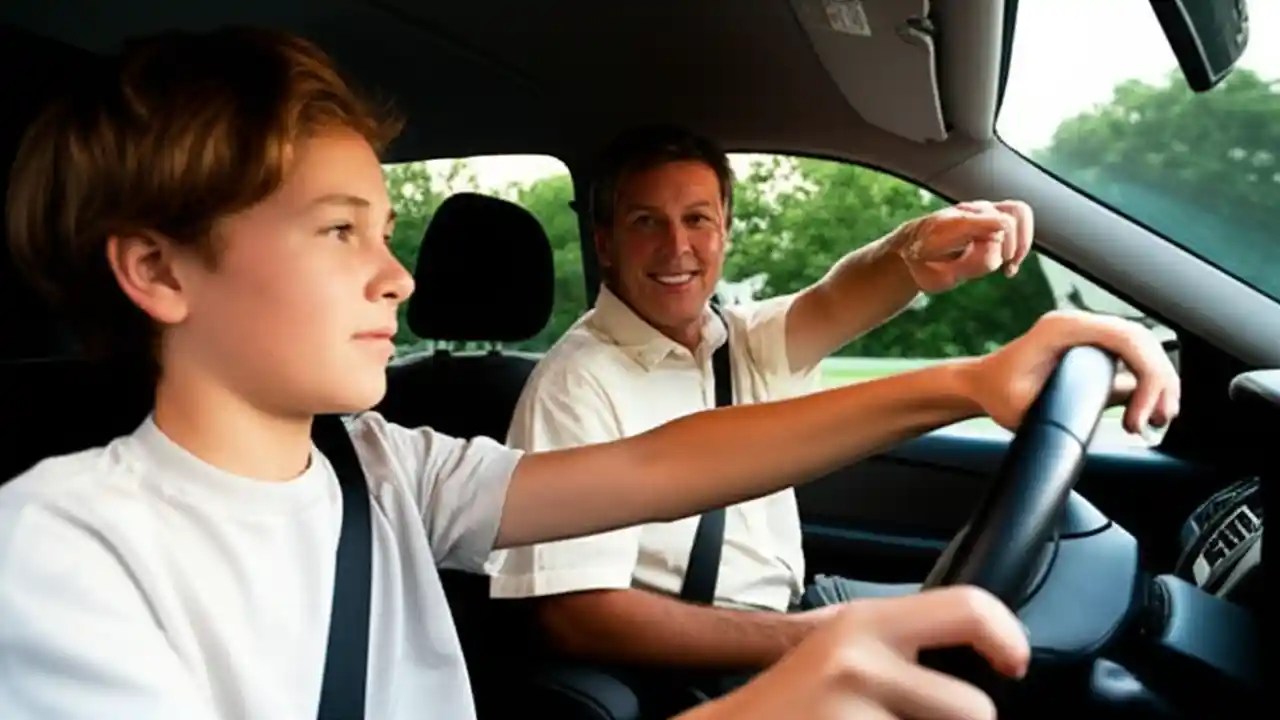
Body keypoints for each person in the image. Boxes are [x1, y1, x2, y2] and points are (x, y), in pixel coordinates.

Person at [0, 25, 1178, 720]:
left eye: (383, 230)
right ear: (158, 270)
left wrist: (963, 383)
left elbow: (660, 467)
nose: (396, 277)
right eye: (339, 231)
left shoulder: (378, 465)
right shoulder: (59, 553)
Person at [484, 125, 1043, 683]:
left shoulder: (741, 342)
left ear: (724, 231)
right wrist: (810, 639)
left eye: (697, 219)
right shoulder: (576, 383)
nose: (676, 246)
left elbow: (841, 295)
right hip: (700, 675)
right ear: (605, 244)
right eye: (646, 222)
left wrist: (922, 242)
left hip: (786, 624)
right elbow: (575, 616)